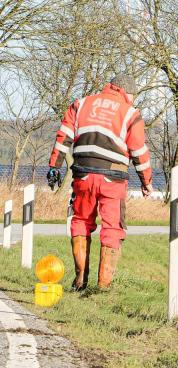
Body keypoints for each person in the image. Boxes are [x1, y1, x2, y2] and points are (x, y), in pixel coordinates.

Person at [47, 74, 152, 290]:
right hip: (113, 178)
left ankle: (80, 281)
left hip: (83, 174)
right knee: (113, 228)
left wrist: (54, 166)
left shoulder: (81, 104)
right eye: (133, 95)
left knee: (80, 221)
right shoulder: (130, 114)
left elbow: (63, 135)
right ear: (126, 91)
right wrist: (146, 182)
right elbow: (139, 151)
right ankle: (103, 287)